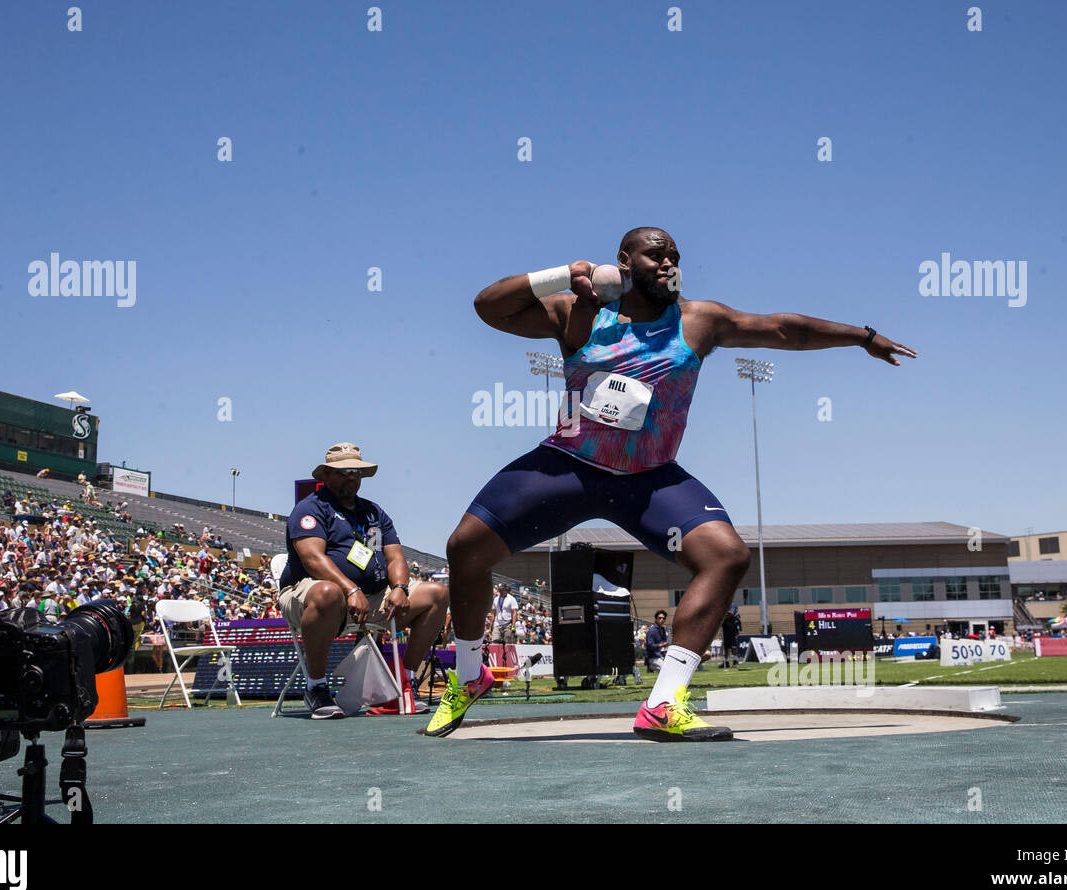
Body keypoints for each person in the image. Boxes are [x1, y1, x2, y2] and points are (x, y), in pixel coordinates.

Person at [429, 227, 916, 740]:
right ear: (623, 261)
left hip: (649, 478)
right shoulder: (580, 312)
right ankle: (469, 675)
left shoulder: (697, 321)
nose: (668, 264)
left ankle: (664, 702)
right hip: (569, 466)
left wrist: (861, 337)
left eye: (675, 257)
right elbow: (488, 307)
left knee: (726, 555)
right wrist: (560, 275)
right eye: (655, 255)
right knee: (464, 547)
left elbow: (782, 330)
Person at [278, 443, 449, 719]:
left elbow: (395, 558)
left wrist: (400, 588)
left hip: (372, 596)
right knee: (326, 591)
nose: (351, 477)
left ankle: (403, 683)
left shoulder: (374, 512)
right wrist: (351, 589)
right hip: (311, 593)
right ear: (326, 475)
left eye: (356, 471)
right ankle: (316, 687)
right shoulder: (310, 508)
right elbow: (312, 559)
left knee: (437, 594)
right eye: (343, 471)